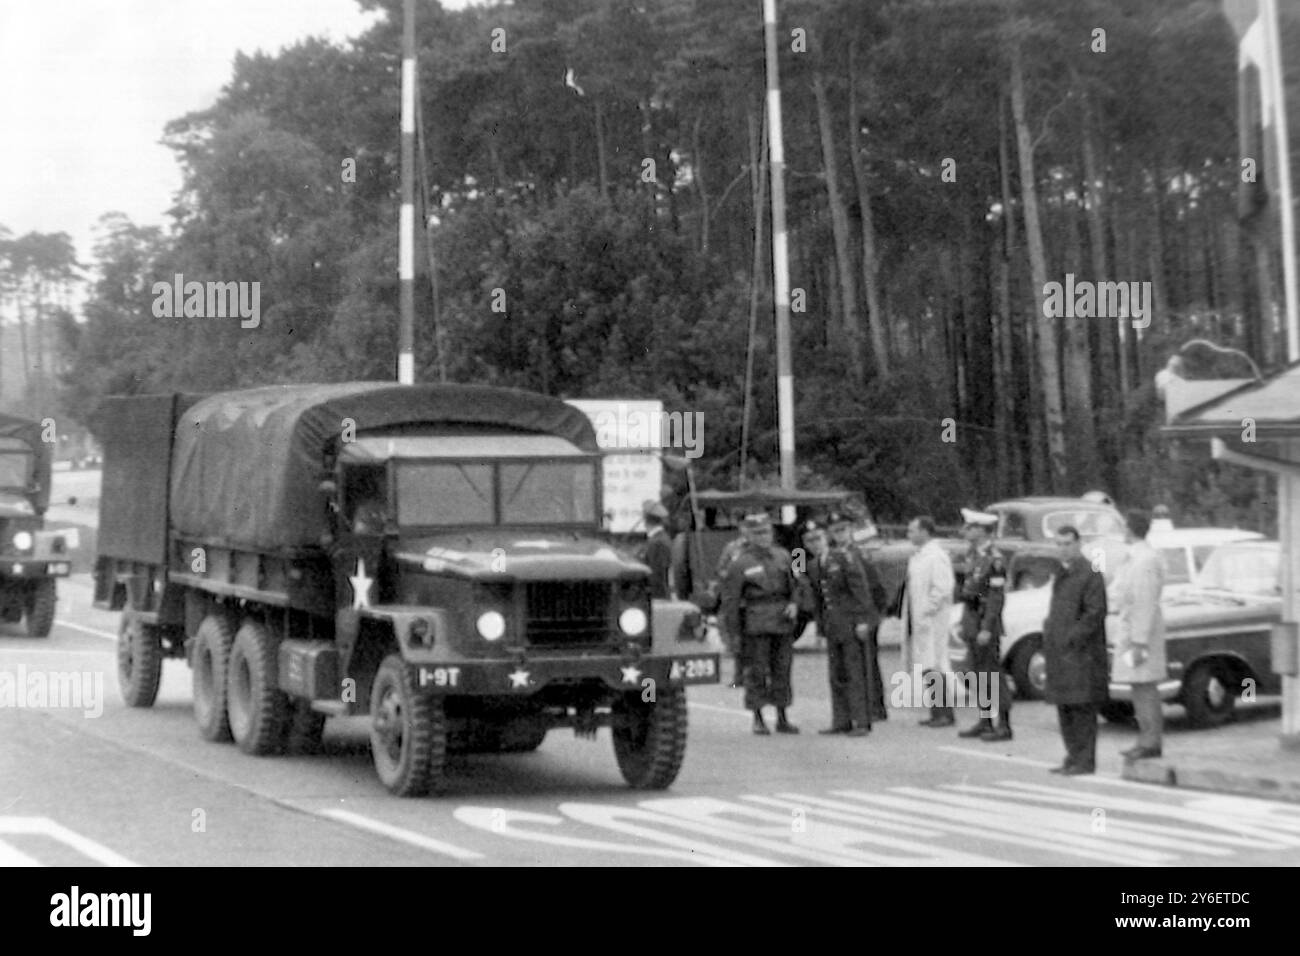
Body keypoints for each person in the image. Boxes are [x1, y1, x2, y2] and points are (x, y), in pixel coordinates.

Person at [720, 513, 801, 735]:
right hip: (755, 623)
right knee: (756, 671)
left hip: (782, 620)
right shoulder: (741, 563)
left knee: (782, 669)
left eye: (766, 532)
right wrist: (734, 634)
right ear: (750, 536)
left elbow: (795, 585)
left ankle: (782, 717)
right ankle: (758, 717)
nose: (763, 537)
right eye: (757, 533)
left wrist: (794, 603)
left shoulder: (783, 556)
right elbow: (731, 601)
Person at [1042, 525, 1109, 775]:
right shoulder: (1061, 572)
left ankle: (1085, 760)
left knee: (1081, 707)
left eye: (1068, 543)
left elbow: (1095, 612)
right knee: (1065, 706)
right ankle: (1072, 755)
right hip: (1060, 652)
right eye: (1058, 544)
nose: (1063, 549)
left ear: (1078, 544)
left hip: (1081, 653)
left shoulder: (1090, 572)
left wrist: (1073, 638)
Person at [810, 514, 879, 736]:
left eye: (818, 538)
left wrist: (862, 621)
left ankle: (861, 720)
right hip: (834, 625)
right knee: (837, 673)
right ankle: (841, 720)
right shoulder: (818, 561)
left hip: (850, 623)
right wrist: (820, 629)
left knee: (855, 673)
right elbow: (820, 599)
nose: (815, 543)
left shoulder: (846, 558)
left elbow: (861, 592)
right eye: (810, 540)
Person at [1112, 509, 1166, 760]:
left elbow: (1144, 601)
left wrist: (1139, 640)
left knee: (1145, 687)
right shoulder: (1134, 557)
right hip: (1132, 629)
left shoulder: (1145, 560)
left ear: (1131, 528)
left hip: (1140, 634)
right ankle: (1145, 738)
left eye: (1124, 526)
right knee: (1138, 686)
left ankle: (1151, 740)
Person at [956, 509, 1013, 741]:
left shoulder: (995, 559)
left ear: (981, 530)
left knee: (992, 674)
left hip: (984, 622)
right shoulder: (972, 554)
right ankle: (985, 719)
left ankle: (1004, 724)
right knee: (975, 673)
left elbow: (997, 596)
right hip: (972, 620)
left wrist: (987, 627)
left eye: (970, 527)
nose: (965, 531)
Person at [900, 516, 956, 727]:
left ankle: (944, 713)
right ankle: (936, 711)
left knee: (935, 663)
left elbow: (942, 588)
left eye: (912, 530)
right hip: (921, 619)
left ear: (925, 531)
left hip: (933, 620)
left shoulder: (936, 556)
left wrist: (927, 610)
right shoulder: (918, 556)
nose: (909, 534)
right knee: (926, 664)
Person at [843, 500, 889, 720]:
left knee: (867, 661)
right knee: (861, 662)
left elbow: (875, 586)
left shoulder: (858, 554)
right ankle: (869, 706)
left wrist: (875, 613)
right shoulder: (798, 544)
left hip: (864, 613)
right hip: (853, 614)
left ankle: (874, 707)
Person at [641, 502, 673, 600]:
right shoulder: (660, 539)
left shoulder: (657, 542)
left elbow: (657, 574)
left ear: (646, 520)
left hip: (657, 597)